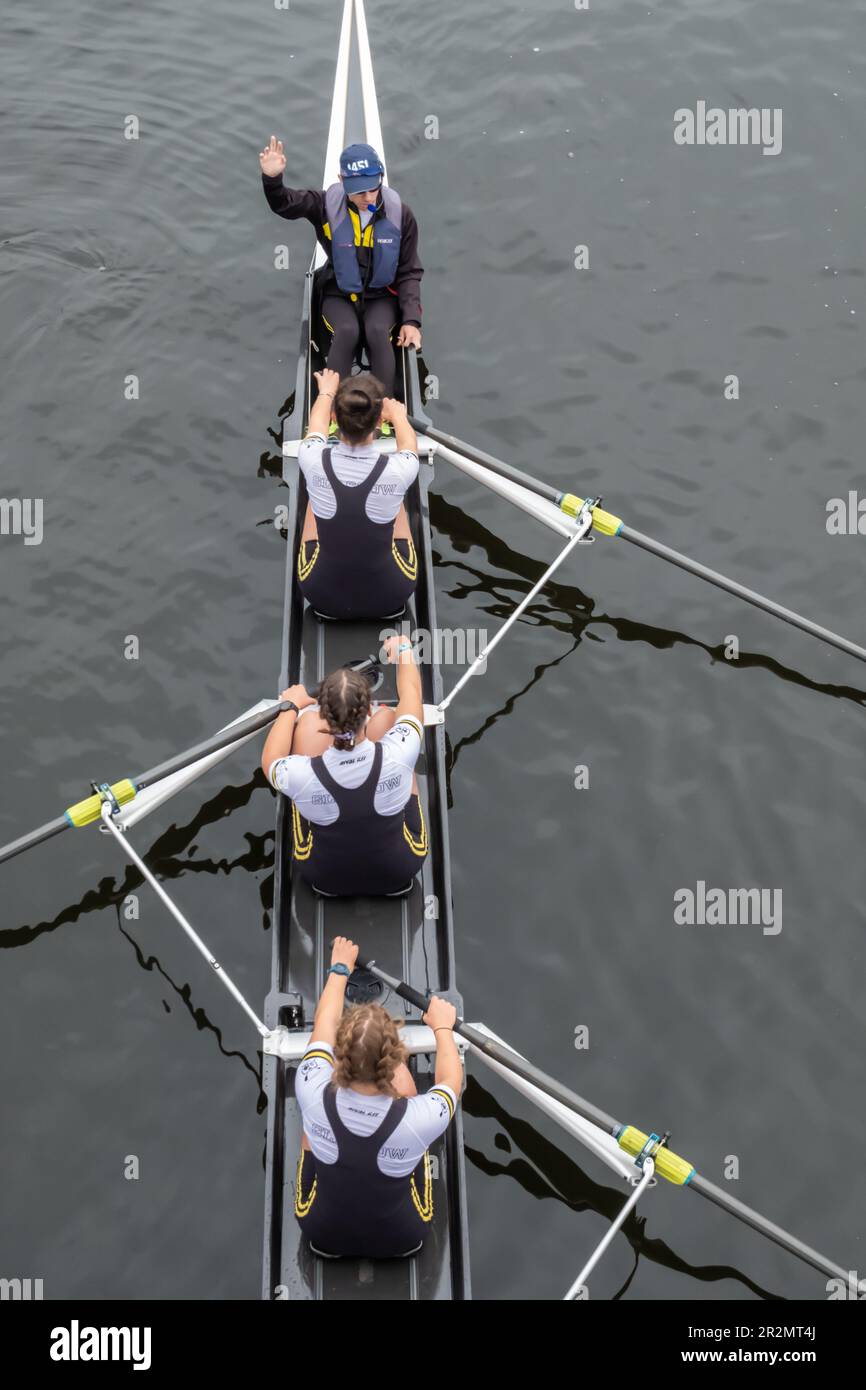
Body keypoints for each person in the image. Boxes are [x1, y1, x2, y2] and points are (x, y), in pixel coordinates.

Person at [294, 935, 463, 1259]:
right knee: (418, 1138)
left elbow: (325, 1024)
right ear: (395, 1055)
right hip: (402, 1237)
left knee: (309, 1128)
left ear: (339, 1054)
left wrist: (340, 968)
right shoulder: (417, 1119)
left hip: (321, 1232)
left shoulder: (309, 1087)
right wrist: (443, 1027)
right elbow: (451, 1081)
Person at [261, 636, 427, 896]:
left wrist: (291, 708)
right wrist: (403, 648)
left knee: (303, 732)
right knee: (396, 733)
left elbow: (270, 761)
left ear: (324, 718)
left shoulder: (301, 773)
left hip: (324, 876)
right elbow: (411, 692)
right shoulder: (400, 749)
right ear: (367, 712)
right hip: (399, 870)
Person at [259, 137, 423, 395]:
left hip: (381, 296)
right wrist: (272, 180)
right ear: (341, 180)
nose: (367, 197)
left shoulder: (402, 216)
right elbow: (285, 204)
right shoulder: (323, 206)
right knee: (347, 331)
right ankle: (336, 411)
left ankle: (383, 410)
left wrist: (412, 320)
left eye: (372, 188)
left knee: (378, 332)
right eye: (358, 191)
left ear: (381, 177)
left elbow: (409, 271)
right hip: (339, 291)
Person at [296, 367, 417, 620]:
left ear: (334, 420)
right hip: (392, 596)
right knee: (398, 498)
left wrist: (326, 392)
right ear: (379, 423)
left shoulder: (312, 458)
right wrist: (399, 416)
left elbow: (316, 425)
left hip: (320, 595)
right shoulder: (398, 469)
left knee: (313, 489)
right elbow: (408, 446)